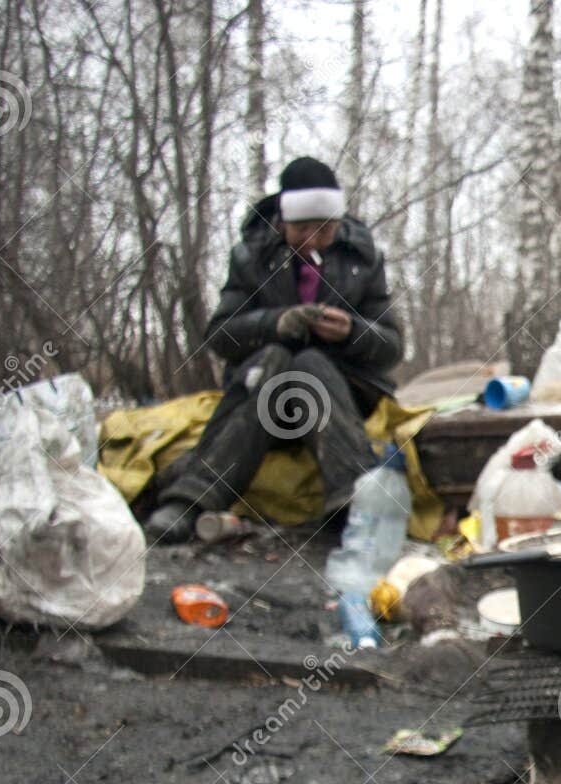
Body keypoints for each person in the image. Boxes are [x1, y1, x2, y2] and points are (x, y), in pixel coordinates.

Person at [146, 157, 404, 543]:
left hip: (343, 398)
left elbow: (392, 346)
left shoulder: (361, 258)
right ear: (283, 222)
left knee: (310, 362)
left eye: (325, 230)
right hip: (265, 395)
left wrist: (352, 331)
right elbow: (221, 335)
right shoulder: (252, 256)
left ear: (337, 223)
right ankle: (191, 500)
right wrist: (274, 324)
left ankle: (358, 500)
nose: (313, 241)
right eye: (302, 229)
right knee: (279, 360)